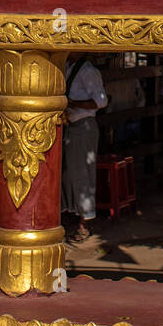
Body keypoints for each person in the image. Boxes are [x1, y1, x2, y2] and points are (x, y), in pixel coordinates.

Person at [62, 52, 108, 242]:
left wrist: (73, 104)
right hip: (69, 124)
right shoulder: (65, 67)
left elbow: (101, 101)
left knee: (82, 172)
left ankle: (85, 222)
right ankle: (71, 212)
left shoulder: (88, 71)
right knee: (67, 173)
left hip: (83, 124)